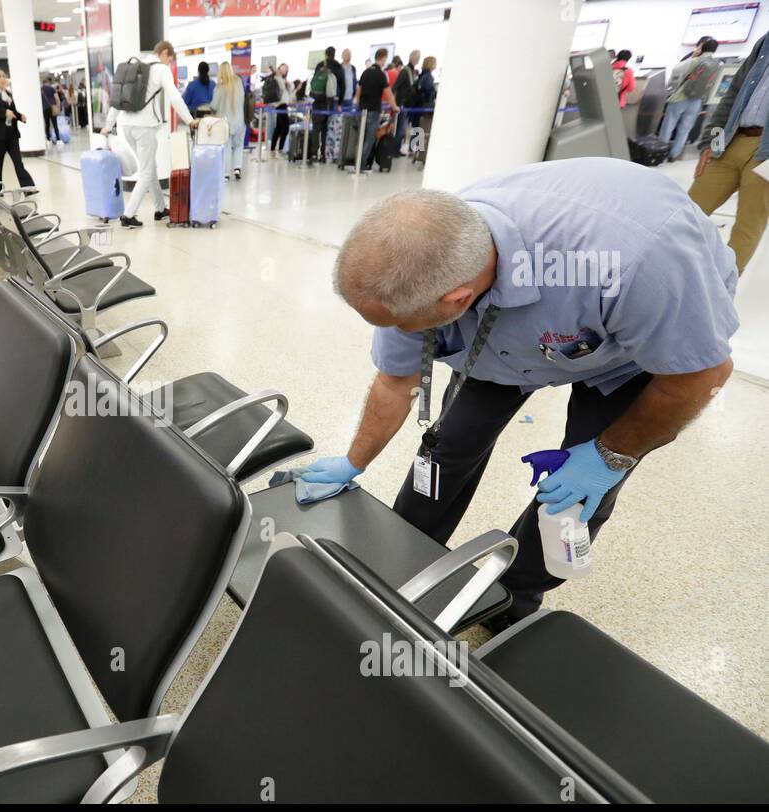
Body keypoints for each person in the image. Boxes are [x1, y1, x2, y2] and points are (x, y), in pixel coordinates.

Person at [300, 157, 737, 631]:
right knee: (450, 442)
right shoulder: (424, 259)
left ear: (457, 300)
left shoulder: (641, 263)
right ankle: (408, 556)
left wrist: (609, 457)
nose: (399, 334)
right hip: (509, 337)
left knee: (575, 493)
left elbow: (700, 375)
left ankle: (513, 599)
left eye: (403, 326)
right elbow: (395, 380)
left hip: (631, 349)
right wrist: (353, 461)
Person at [691, 31, 769, 273]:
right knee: (687, 211)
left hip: (765, 153)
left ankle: (719, 298)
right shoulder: (765, 41)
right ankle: (666, 275)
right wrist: (711, 142)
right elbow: (734, 92)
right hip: (733, 139)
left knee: (747, 228)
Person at [101, 41, 197, 228]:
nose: (169, 64)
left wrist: (108, 125)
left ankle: (160, 209)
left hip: (126, 125)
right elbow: (174, 97)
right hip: (144, 128)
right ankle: (128, 215)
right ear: (165, 53)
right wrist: (189, 120)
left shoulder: (135, 67)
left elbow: (117, 98)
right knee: (146, 172)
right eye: (170, 60)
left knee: (150, 167)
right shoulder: (161, 69)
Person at [659, 37, 721, 163]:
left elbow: (676, 71)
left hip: (680, 97)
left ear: (701, 47)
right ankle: (674, 154)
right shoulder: (717, 64)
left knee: (668, 125)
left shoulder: (695, 61)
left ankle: (660, 152)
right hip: (697, 101)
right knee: (685, 128)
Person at [0, 68, 35, 191]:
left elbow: (13, 111)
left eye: (4, 76)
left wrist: (20, 116)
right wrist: (4, 112)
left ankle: (28, 188)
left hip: (11, 133)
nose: (2, 79)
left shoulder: (8, 94)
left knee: (18, 161)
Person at [354, 47, 396, 170]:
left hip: (362, 110)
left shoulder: (365, 72)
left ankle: (357, 164)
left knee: (360, 138)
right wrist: (394, 106)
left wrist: (357, 104)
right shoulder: (381, 74)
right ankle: (361, 166)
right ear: (382, 59)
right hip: (373, 110)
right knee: (369, 139)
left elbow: (359, 90)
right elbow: (388, 93)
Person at [210, 61, 246, 179]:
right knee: (238, 146)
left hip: (225, 123)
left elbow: (214, 106)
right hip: (239, 121)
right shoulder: (239, 82)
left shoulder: (219, 87)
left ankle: (225, 174)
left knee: (226, 147)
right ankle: (237, 168)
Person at [393, 49, 420, 156]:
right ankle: (395, 149)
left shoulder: (411, 71)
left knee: (403, 129)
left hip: (407, 104)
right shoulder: (406, 71)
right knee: (401, 128)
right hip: (402, 104)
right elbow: (396, 86)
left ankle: (397, 149)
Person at [268, 63, 294, 155]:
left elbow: (290, 89)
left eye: (286, 69)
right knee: (285, 128)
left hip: (283, 104)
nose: (285, 70)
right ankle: (281, 149)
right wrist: (284, 82)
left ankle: (273, 148)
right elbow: (281, 89)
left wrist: (287, 83)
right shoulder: (276, 78)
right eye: (283, 68)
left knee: (278, 128)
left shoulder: (283, 79)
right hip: (280, 105)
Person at [41, 76, 61, 145]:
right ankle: (58, 139)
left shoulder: (41, 90)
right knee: (55, 124)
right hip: (52, 107)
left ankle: (48, 139)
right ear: (48, 82)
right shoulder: (51, 88)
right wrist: (58, 107)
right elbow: (57, 98)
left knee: (47, 124)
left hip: (44, 109)